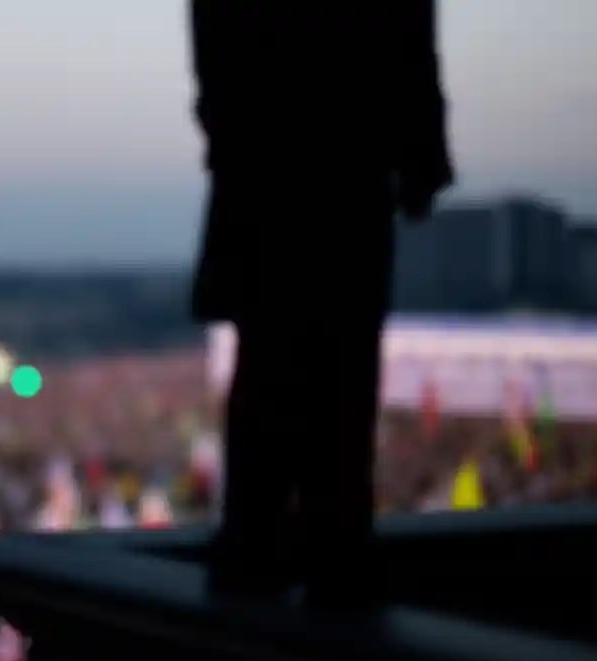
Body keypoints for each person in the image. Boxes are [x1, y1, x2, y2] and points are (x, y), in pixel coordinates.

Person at [190, 2, 453, 595]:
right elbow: (410, 36)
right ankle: (321, 547)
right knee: (338, 381)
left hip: (279, 180)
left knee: (283, 372)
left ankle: (264, 544)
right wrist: (421, 155)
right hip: (341, 183)